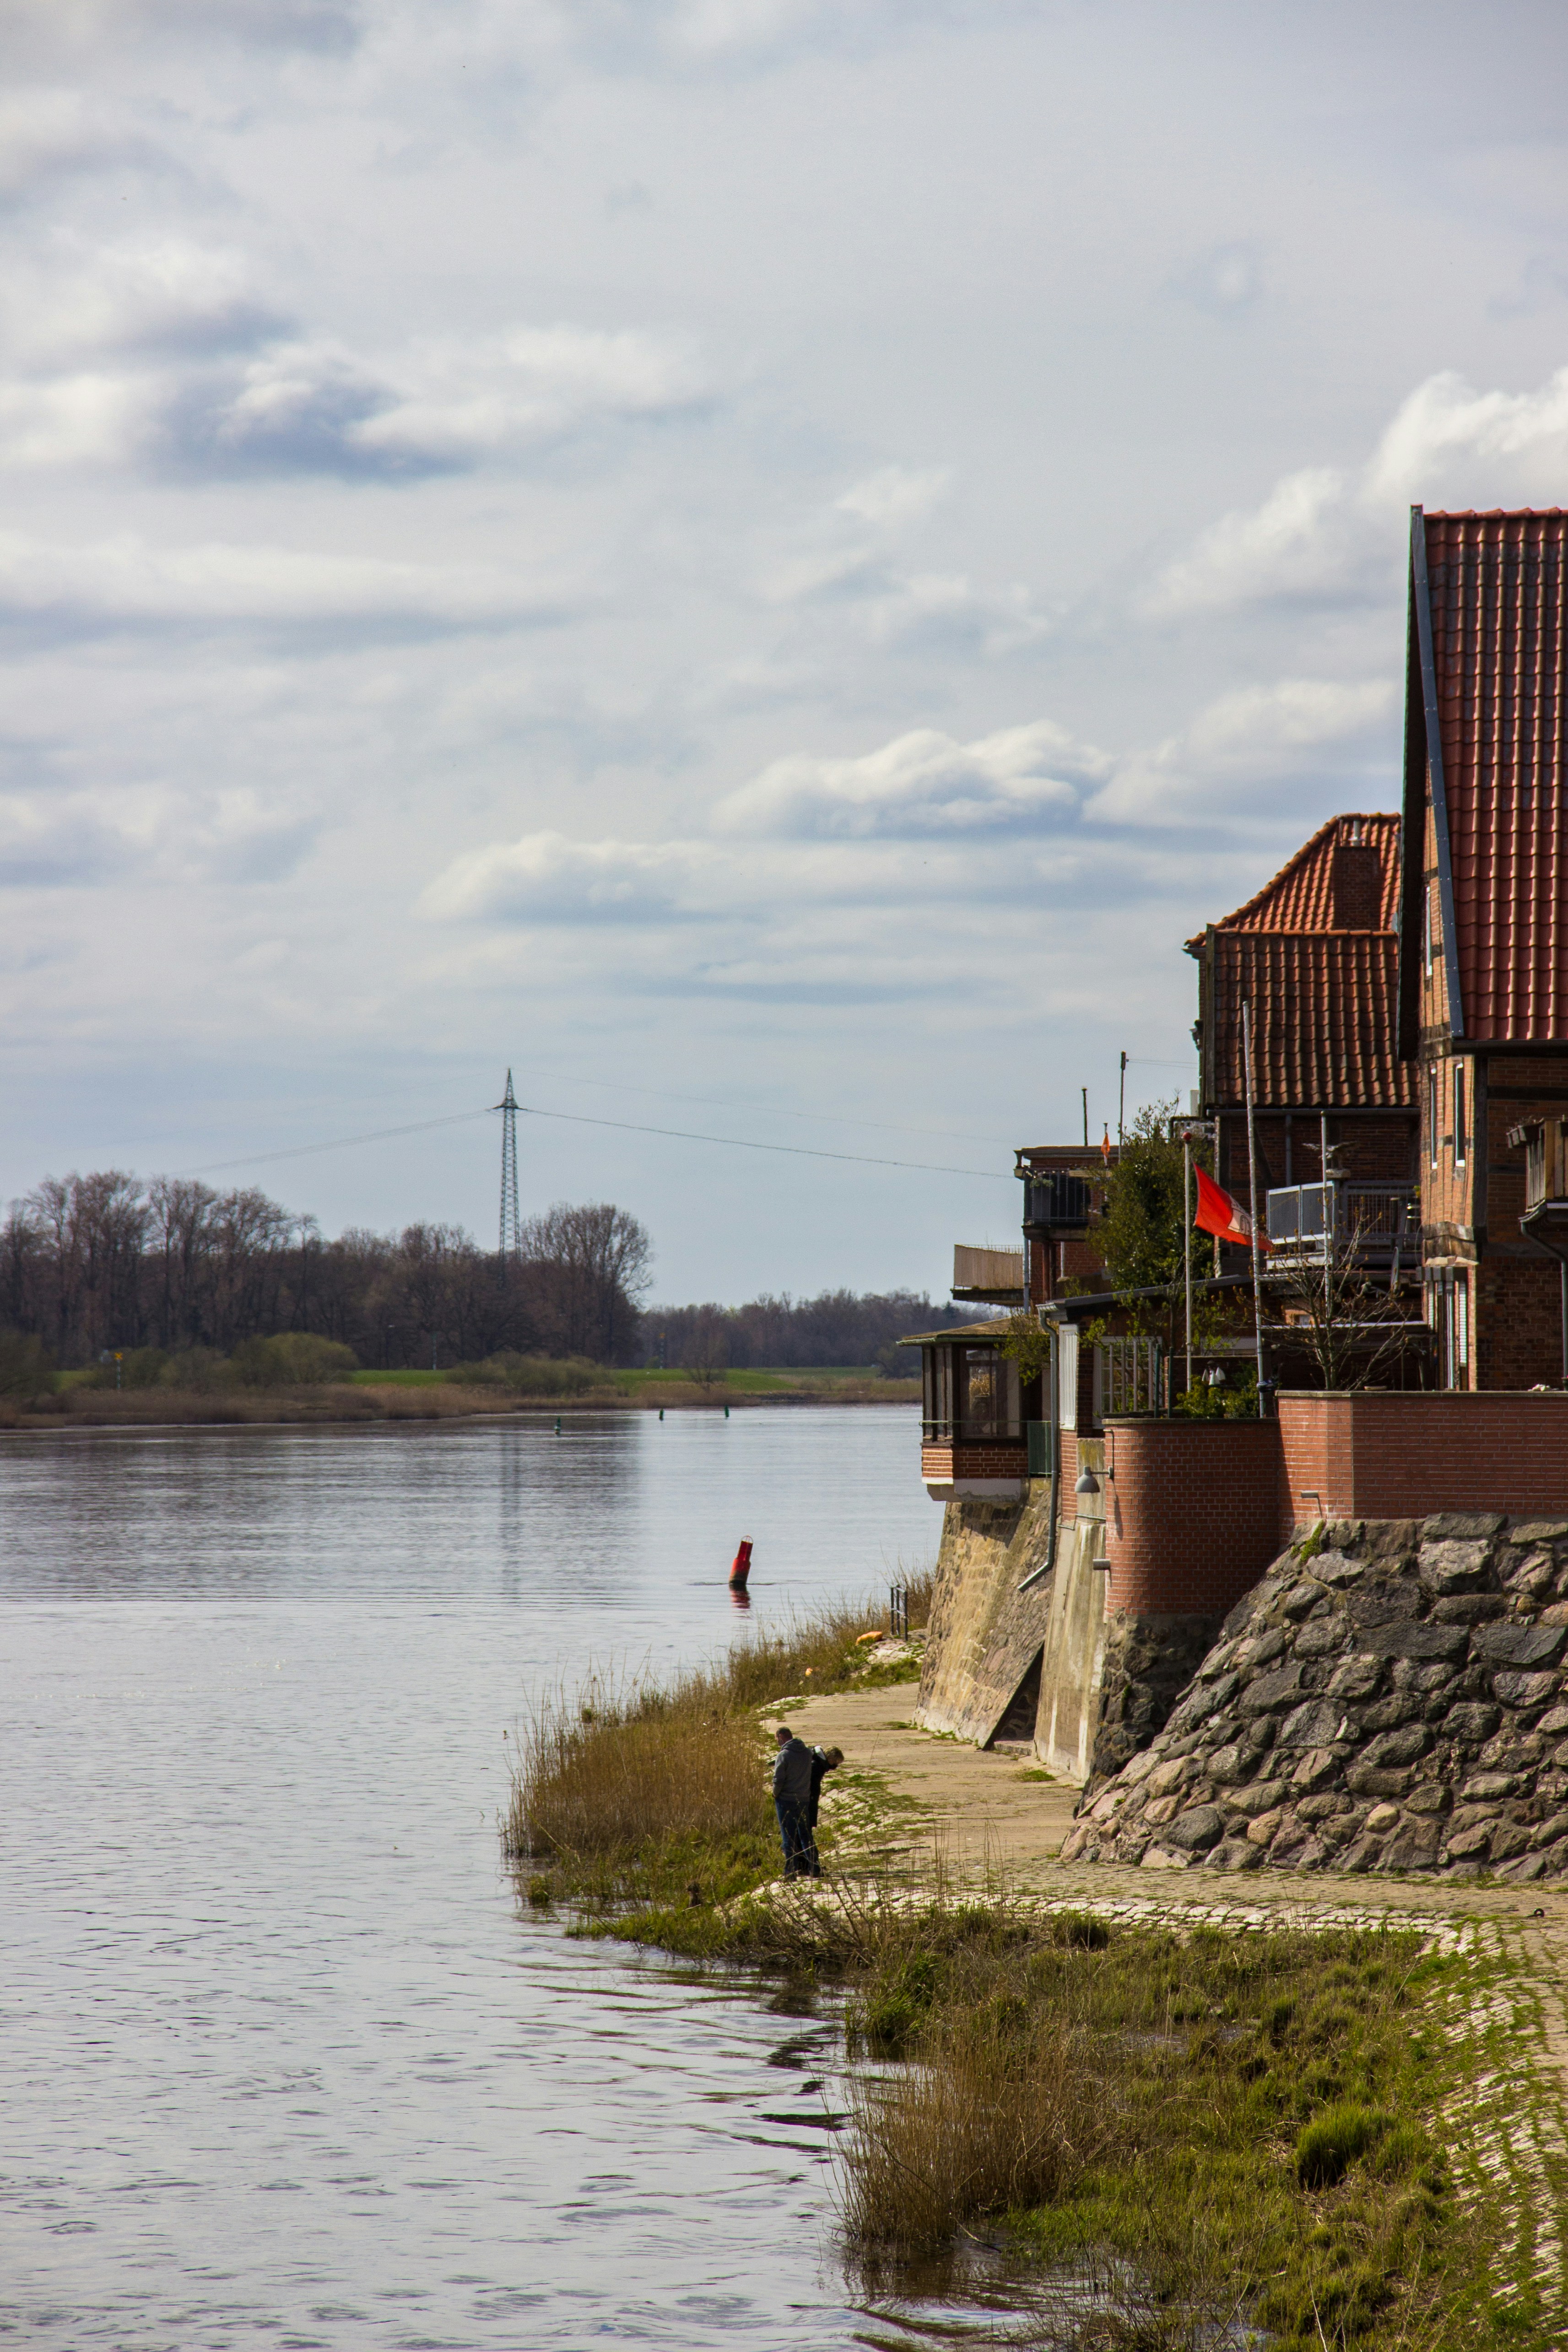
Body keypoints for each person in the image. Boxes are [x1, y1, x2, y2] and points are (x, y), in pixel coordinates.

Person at [772, 1725, 816, 1879]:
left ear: (782, 1736)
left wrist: (775, 1794)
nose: (777, 1742)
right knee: (806, 1835)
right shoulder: (807, 1752)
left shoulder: (784, 1755)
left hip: (786, 1800)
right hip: (803, 1799)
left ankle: (790, 1871)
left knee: (788, 1836)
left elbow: (779, 1779)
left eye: (776, 1738)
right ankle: (814, 1868)